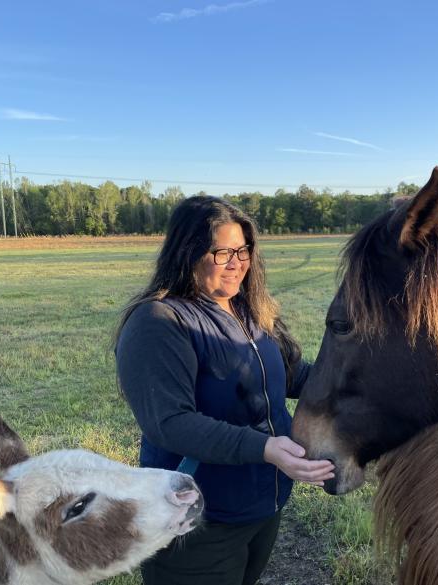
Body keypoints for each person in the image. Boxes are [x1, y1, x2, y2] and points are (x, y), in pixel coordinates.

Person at [114, 196, 335, 585]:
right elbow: (170, 423)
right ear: (188, 253)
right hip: (196, 520)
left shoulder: (251, 310)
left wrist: (357, 379)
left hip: (263, 505)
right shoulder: (158, 321)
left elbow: (292, 375)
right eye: (221, 253)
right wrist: (265, 449)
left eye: (242, 250)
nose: (237, 263)